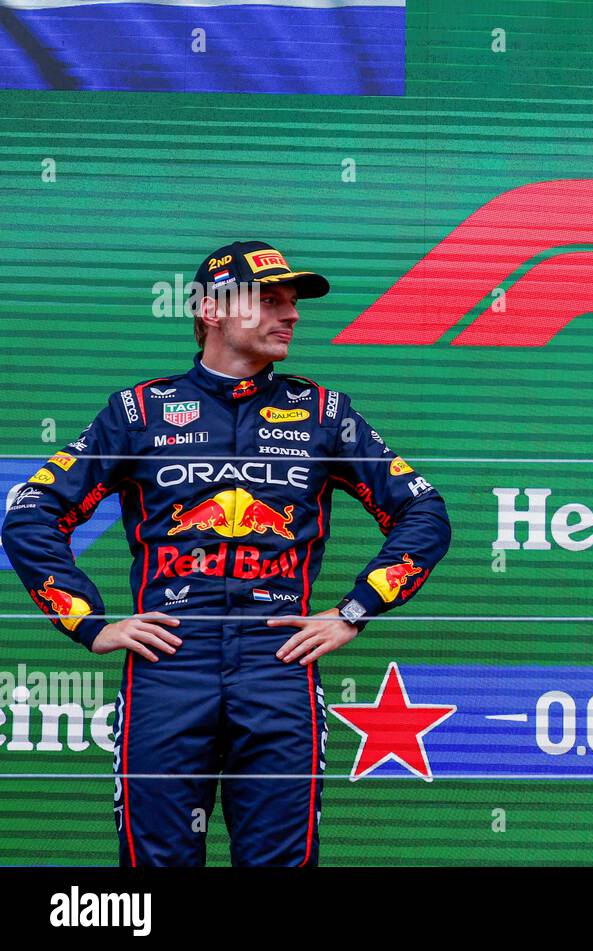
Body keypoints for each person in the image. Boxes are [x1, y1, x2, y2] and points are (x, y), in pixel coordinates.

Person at [2, 241, 452, 866]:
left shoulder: (323, 412)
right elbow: (32, 511)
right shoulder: (138, 411)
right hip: (168, 669)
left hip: (278, 669)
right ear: (211, 309)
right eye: (269, 301)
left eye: (292, 304)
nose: (290, 316)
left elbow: (423, 511)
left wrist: (352, 612)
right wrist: (88, 621)